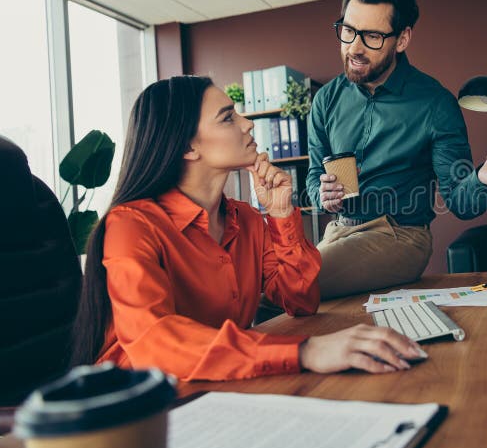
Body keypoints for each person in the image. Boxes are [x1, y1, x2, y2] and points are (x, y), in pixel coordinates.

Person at [70, 76, 425, 382]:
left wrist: (282, 214)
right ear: (187, 146)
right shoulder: (131, 225)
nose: (248, 124)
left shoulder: (247, 219)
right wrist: (305, 352)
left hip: (217, 386)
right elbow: (155, 342)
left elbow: (300, 301)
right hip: (137, 410)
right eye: (228, 117)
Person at [307, 0, 487, 300]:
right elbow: (315, 177)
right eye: (348, 31)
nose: (354, 48)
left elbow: (460, 201)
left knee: (291, 284)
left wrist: (486, 179)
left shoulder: (435, 103)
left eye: (371, 36)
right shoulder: (326, 99)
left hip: (400, 236)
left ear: (402, 39)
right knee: (279, 282)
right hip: (339, 230)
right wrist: (321, 194)